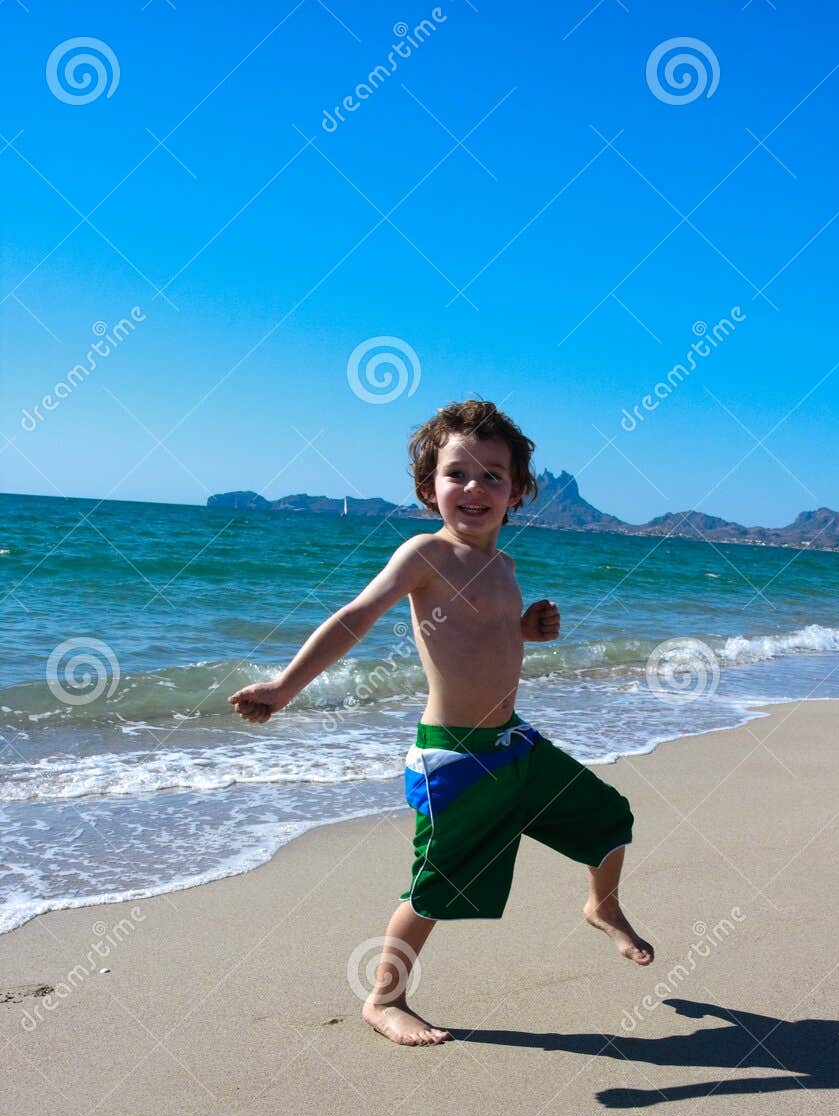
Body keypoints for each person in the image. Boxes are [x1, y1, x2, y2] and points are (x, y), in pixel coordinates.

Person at [229, 398, 652, 1045]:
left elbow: (481, 637)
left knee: (607, 815)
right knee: (434, 888)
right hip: (454, 757)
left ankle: (601, 903)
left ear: (518, 491)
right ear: (430, 488)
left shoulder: (504, 567)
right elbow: (354, 617)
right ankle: (384, 998)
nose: (474, 488)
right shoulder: (424, 553)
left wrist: (525, 629)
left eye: (493, 475)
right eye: (458, 473)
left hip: (516, 745)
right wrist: (285, 685)